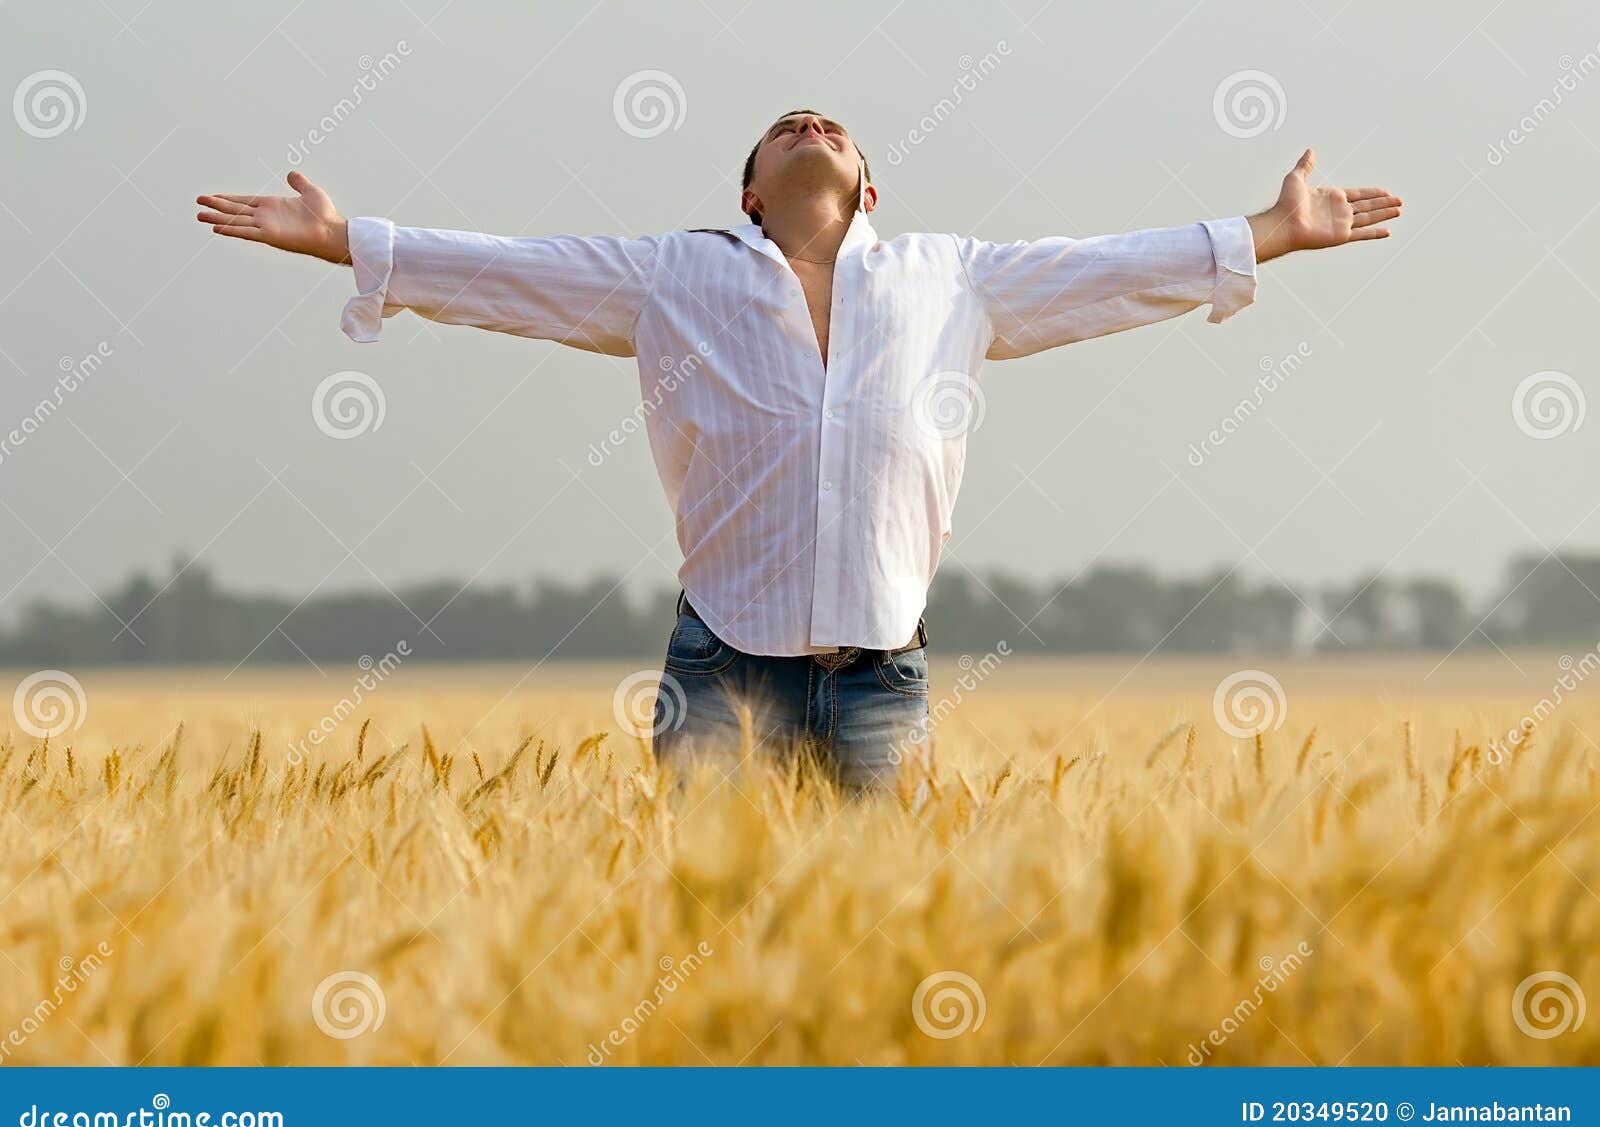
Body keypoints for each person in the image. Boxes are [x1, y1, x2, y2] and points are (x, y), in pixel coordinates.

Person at [196, 109, 1401, 790]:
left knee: (875, 932)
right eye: (784, 129)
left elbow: (1113, 266)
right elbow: (508, 270)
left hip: (884, 670)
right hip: (719, 662)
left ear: (868, 189)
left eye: (832, 127)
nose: (810, 126)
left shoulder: (954, 279)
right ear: (753, 195)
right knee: (702, 927)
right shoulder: (674, 276)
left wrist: (1272, 233)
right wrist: (343, 240)